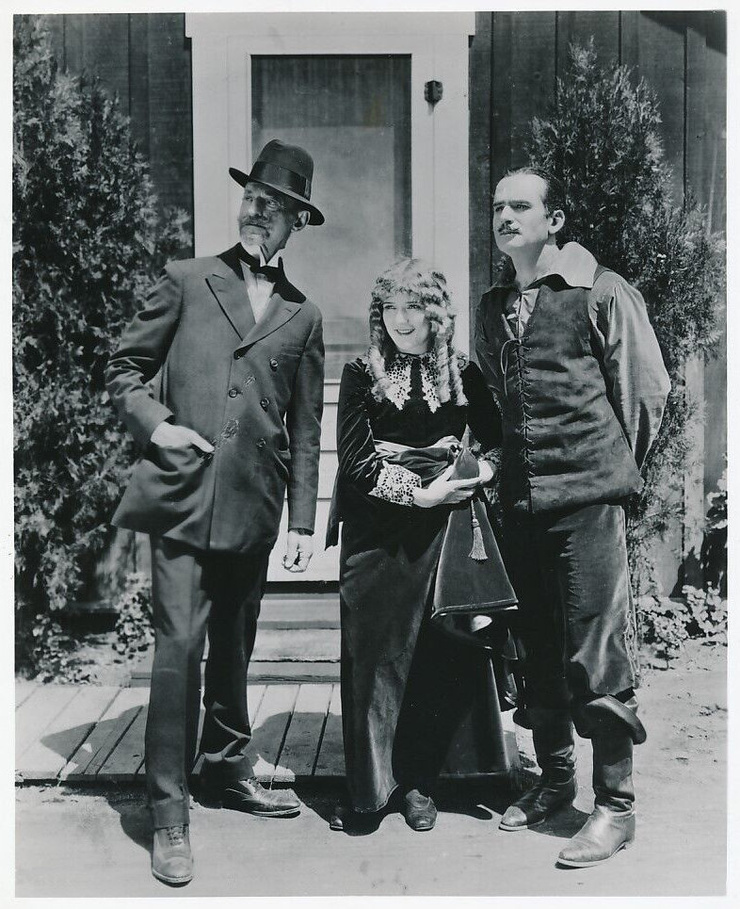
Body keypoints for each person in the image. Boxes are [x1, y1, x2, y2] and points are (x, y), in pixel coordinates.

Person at [106, 139, 325, 885]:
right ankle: (168, 813)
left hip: (254, 506)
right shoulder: (187, 280)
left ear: (297, 222)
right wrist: (159, 426)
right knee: (179, 649)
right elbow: (124, 369)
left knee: (234, 645)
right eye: (253, 197)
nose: (259, 210)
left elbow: (305, 428)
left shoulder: (303, 314)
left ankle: (227, 766)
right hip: (181, 498)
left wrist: (302, 522)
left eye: (276, 205)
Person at [475, 167, 671, 867]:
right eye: (498, 206)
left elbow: (645, 392)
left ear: (554, 220)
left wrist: (608, 472)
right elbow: (500, 397)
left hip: (588, 503)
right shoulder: (494, 305)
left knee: (596, 649)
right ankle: (556, 780)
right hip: (522, 504)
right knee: (536, 645)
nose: (505, 217)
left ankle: (615, 805)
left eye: (520, 206)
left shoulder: (602, 291)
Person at [327, 258, 517, 833]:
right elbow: (356, 463)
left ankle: (418, 784)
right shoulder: (361, 373)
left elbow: (501, 445)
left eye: (413, 307)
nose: (401, 320)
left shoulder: (463, 374)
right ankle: (369, 791)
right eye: (390, 308)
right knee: (373, 661)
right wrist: (419, 493)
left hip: (442, 538)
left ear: (437, 314)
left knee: (433, 663)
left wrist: (476, 475)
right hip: (376, 536)